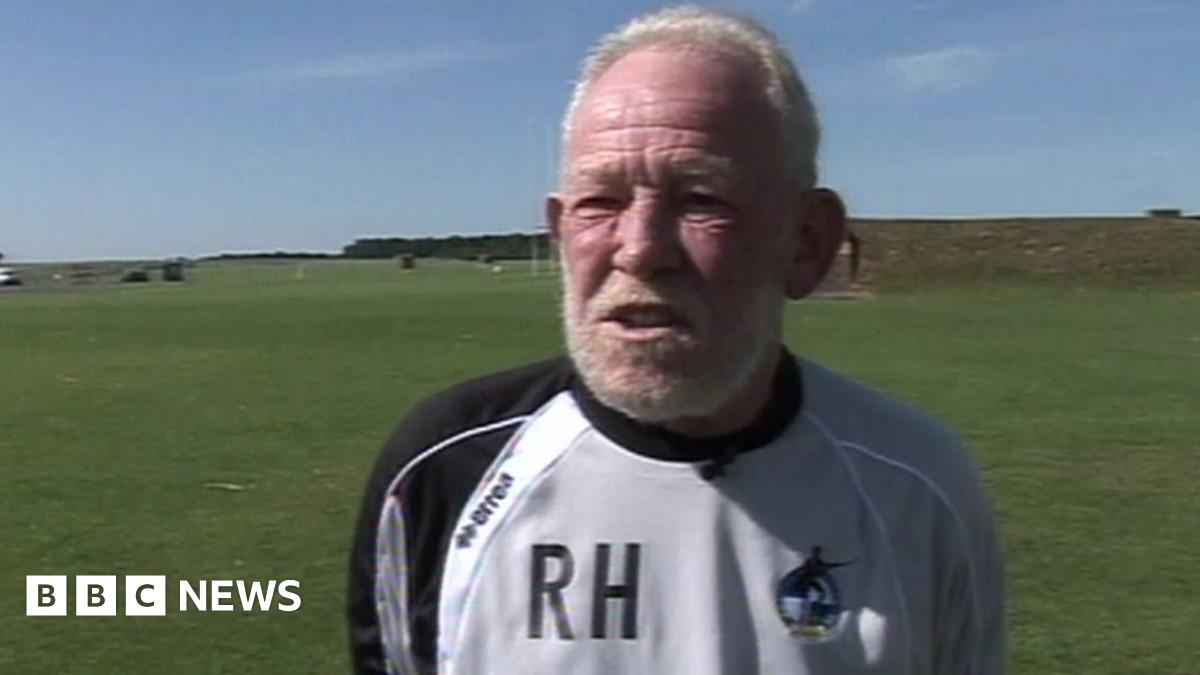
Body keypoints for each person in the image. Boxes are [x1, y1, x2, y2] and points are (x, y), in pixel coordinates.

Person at [347, 6, 1005, 674]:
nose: (639, 250)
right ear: (560, 230)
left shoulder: (920, 488)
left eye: (700, 198)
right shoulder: (442, 471)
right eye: (600, 202)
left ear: (806, 243)